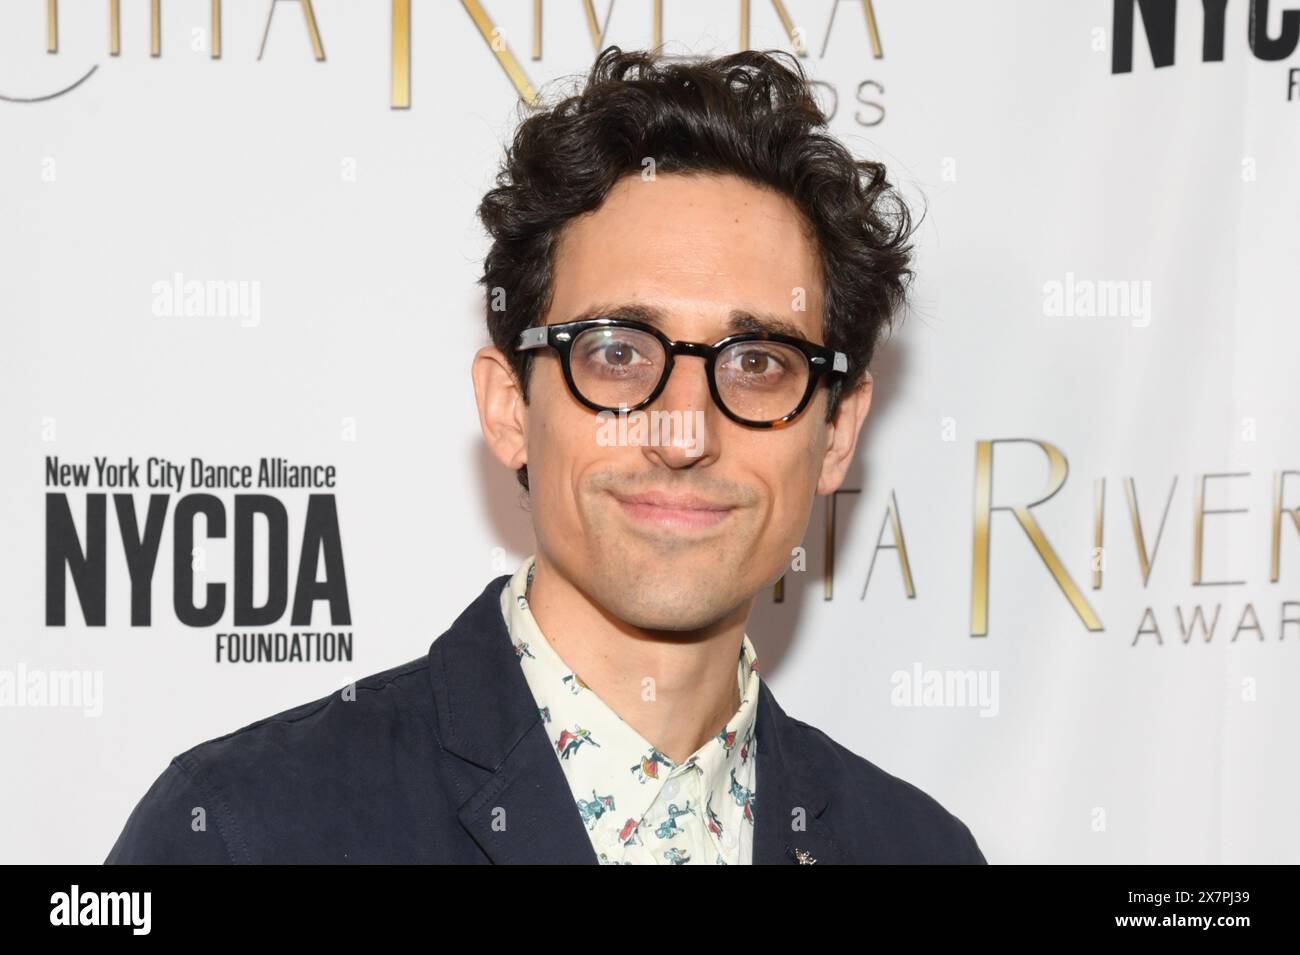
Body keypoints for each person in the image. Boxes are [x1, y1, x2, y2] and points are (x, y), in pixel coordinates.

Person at [105, 45, 986, 865]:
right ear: (509, 408)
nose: (684, 433)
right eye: (616, 351)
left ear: (835, 433)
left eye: (756, 363)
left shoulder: (918, 851)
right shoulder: (244, 833)